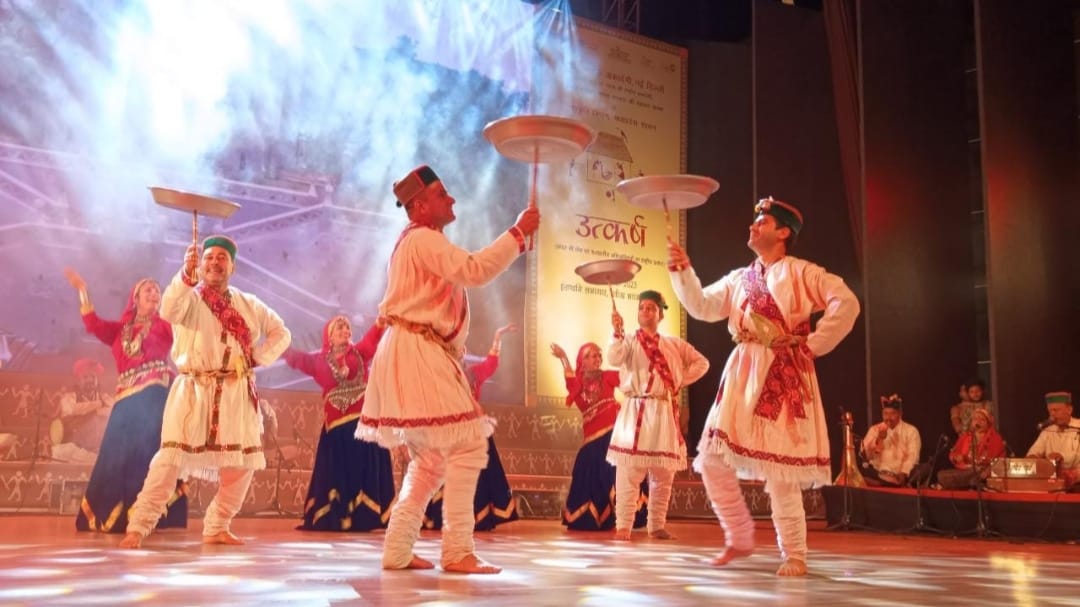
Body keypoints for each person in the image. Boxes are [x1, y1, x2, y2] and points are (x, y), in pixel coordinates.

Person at [355, 165, 539, 574]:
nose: (451, 199)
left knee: (432, 459)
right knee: (470, 443)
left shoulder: (421, 241)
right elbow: (473, 269)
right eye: (442, 194)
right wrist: (517, 233)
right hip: (416, 348)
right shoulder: (422, 238)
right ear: (419, 205)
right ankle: (457, 550)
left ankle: (398, 548)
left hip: (418, 348)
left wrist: (519, 242)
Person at [667, 196, 860, 576]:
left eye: (763, 221)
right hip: (742, 370)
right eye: (754, 221)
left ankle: (795, 553)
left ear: (784, 232)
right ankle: (738, 534)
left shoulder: (803, 273)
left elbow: (847, 302)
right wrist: (683, 272)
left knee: (781, 472)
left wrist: (811, 344)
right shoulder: (740, 278)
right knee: (709, 459)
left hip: (783, 369)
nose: (753, 226)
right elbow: (703, 306)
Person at [119, 235, 291, 548]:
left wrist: (257, 357)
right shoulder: (189, 299)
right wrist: (185, 274)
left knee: (241, 466)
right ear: (201, 264)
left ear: (232, 266)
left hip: (235, 393)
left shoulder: (249, 304)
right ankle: (139, 526)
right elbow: (169, 309)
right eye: (208, 258)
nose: (214, 263)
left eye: (221, 258)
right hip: (193, 391)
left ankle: (217, 526)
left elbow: (282, 332)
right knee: (168, 461)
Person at [63, 271, 187, 533]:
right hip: (125, 399)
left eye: (157, 290)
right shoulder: (119, 330)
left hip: (154, 396)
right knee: (115, 456)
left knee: (147, 454)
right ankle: (112, 514)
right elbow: (93, 324)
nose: (155, 293)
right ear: (136, 299)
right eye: (148, 290)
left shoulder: (165, 324)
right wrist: (83, 289)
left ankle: (148, 515)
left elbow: (184, 330)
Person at [606, 290, 710, 541]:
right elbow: (613, 358)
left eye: (651, 307)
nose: (645, 311)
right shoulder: (629, 340)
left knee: (663, 475)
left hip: (663, 410)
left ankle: (657, 525)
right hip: (636, 410)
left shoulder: (674, 344)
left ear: (660, 313)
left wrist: (678, 380)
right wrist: (617, 333)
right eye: (642, 307)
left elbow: (702, 363)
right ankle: (623, 526)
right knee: (630, 471)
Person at [283, 315, 395, 531]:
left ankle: (365, 517)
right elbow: (297, 358)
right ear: (329, 337)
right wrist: (277, 346)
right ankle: (338, 516)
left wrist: (381, 323)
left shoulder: (359, 353)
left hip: (362, 423)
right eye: (339, 328)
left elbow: (372, 339)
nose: (345, 331)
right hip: (336, 429)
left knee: (363, 469)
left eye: (347, 328)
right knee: (339, 472)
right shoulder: (318, 362)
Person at [422, 324, 520, 531]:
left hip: (474, 430)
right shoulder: (439, 377)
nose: (458, 353)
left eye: (460, 350)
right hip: (450, 433)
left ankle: (478, 515)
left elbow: (491, 364)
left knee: (479, 475)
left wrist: (497, 336)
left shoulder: (474, 374)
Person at [551, 341, 647, 531]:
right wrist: (563, 358)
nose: (596, 359)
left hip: (614, 436)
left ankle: (624, 518)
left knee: (616, 474)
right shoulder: (577, 383)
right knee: (588, 473)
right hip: (591, 441)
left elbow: (629, 379)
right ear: (582, 362)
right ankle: (595, 518)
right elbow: (570, 378)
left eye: (597, 355)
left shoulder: (607, 376)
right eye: (590, 356)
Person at [51, 358, 114, 464]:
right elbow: (71, 409)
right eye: (85, 377)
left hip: (97, 453)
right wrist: (98, 405)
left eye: (93, 377)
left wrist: (93, 410)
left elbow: (114, 412)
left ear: (97, 380)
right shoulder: (69, 397)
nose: (89, 380)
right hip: (71, 452)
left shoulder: (106, 398)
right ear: (79, 381)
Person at [860, 394, 922, 487]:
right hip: (878, 473)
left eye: (892, 414)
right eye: (885, 414)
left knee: (921, 470)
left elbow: (913, 456)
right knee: (861, 470)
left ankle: (886, 484)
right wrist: (878, 439)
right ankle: (883, 483)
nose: (888, 418)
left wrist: (904, 473)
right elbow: (865, 455)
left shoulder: (911, 431)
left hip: (899, 474)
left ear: (900, 414)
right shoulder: (874, 429)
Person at [938, 406, 1004, 489]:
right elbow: (954, 453)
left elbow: (999, 461)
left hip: (983, 471)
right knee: (941, 475)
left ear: (988, 423)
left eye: (982, 420)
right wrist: (956, 457)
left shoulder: (995, 438)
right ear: (972, 422)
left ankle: (970, 483)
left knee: (976, 473)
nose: (978, 422)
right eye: (975, 419)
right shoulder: (965, 436)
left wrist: (988, 470)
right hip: (965, 470)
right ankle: (969, 483)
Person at [1027, 391, 1080, 489]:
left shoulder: (1078, 427)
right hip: (1051, 484)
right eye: (1050, 411)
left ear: (1069, 410)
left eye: (1056, 410)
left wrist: (1062, 459)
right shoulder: (1047, 431)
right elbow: (1032, 454)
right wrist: (1034, 459)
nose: (1052, 415)